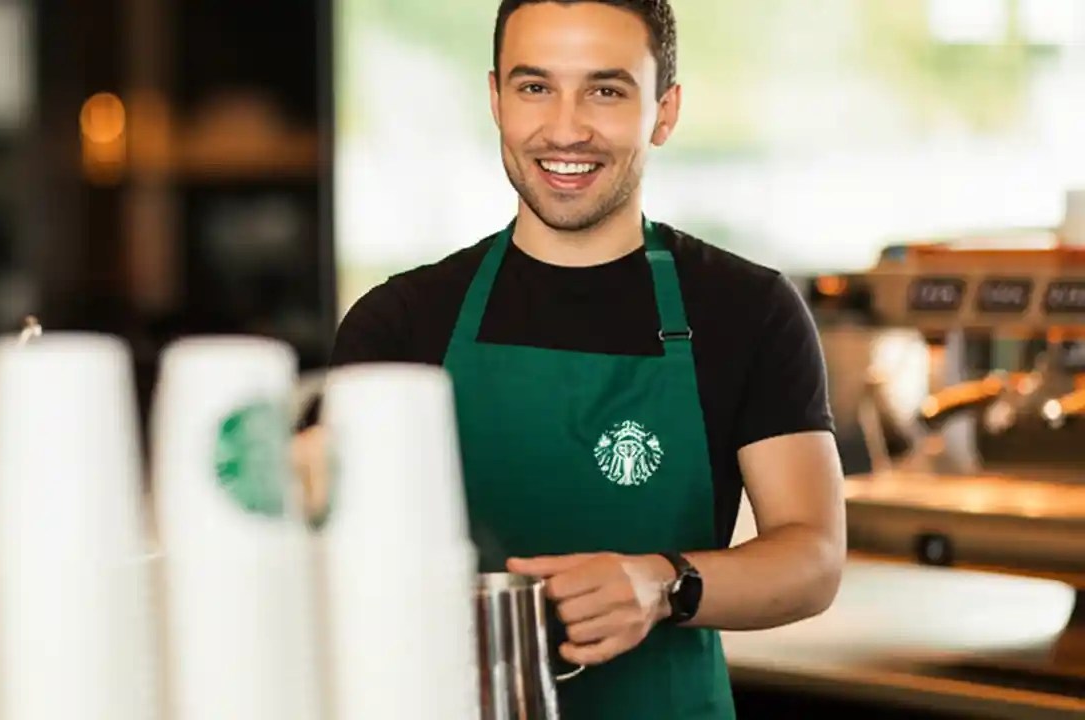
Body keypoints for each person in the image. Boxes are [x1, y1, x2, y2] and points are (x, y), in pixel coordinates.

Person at [295, 1, 845, 717]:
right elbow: (340, 542)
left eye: (606, 91)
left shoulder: (749, 310)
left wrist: (664, 584)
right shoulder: (398, 323)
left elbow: (813, 557)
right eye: (535, 88)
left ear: (665, 111)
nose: (564, 128)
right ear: (495, 98)